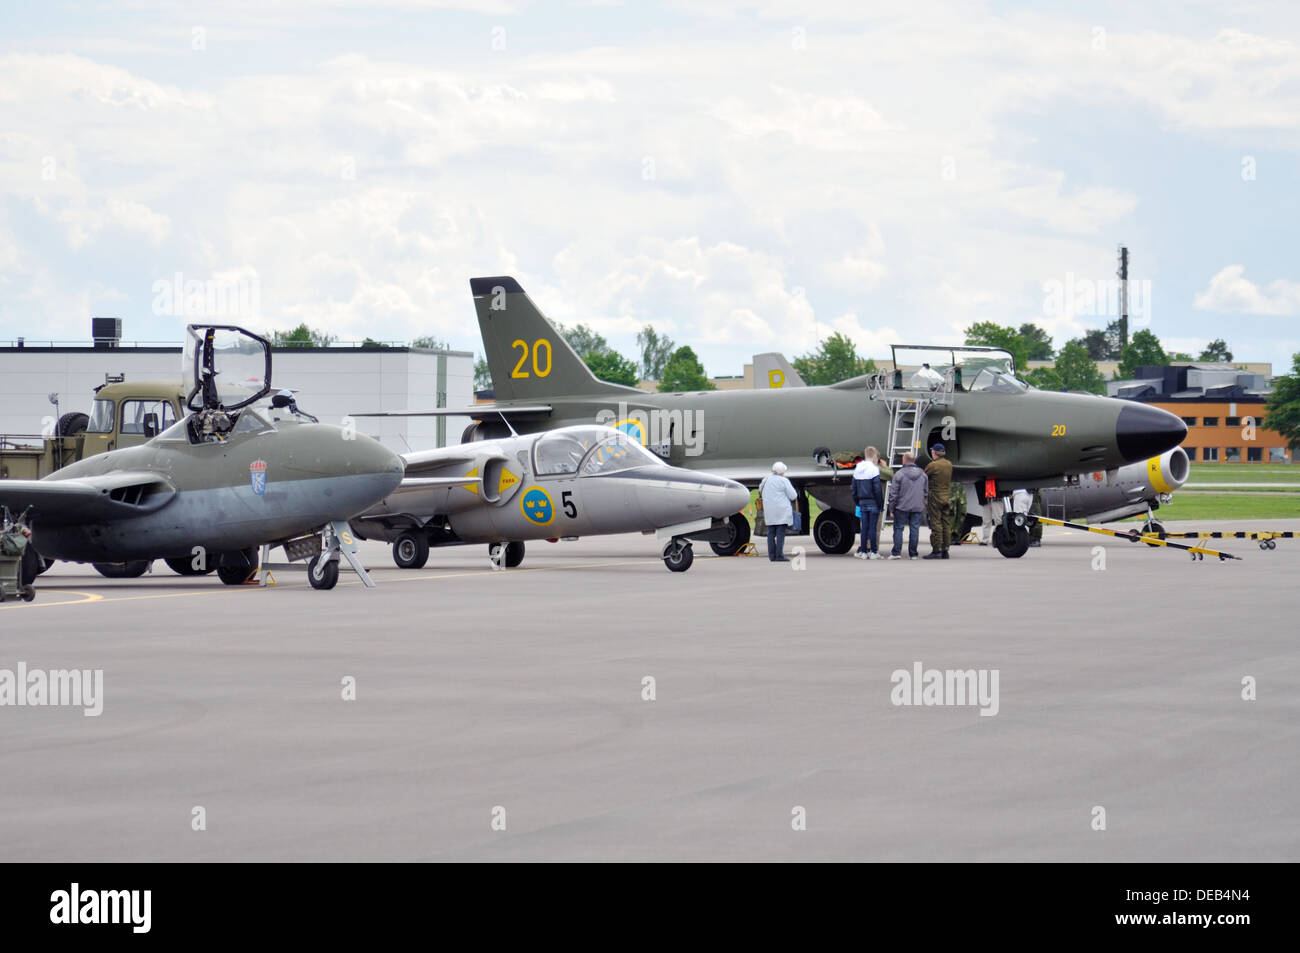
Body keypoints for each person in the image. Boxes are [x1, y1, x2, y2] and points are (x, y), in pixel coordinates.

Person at [887, 451, 927, 560]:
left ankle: (896, 553)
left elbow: (893, 493)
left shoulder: (899, 474)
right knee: (915, 529)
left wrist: (891, 508)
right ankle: (913, 554)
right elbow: (925, 492)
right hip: (917, 507)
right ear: (914, 460)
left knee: (899, 529)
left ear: (904, 460)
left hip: (902, 506)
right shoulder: (923, 474)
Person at [758, 461, 797, 562]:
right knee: (780, 533)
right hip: (782, 511)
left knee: (771, 533)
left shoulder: (765, 479)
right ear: (782, 471)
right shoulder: (784, 480)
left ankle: (772, 556)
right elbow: (793, 496)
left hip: (769, 510)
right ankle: (779, 555)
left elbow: (760, 490)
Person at [851, 447, 884, 559]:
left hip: (862, 503)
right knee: (872, 528)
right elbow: (877, 489)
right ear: (874, 456)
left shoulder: (858, 468)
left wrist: (858, 502)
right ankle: (874, 552)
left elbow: (853, 489)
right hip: (873, 502)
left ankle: (864, 551)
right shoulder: (874, 469)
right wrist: (881, 504)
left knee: (864, 528)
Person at [922, 443, 953, 559]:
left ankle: (936, 550)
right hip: (946, 496)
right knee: (946, 523)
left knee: (936, 523)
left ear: (934, 453)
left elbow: (923, 477)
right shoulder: (949, 464)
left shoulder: (933, 465)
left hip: (935, 496)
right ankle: (945, 550)